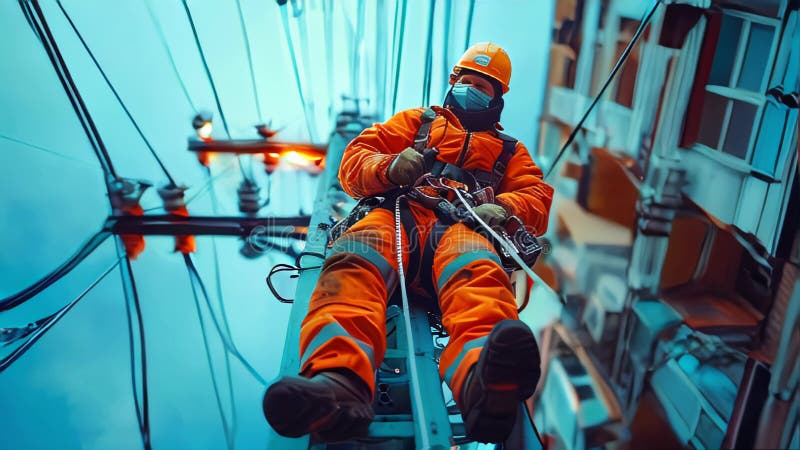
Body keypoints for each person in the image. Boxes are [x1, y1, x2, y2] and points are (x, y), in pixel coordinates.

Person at [263, 42, 554, 444]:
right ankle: (339, 380)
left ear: (497, 98)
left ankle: (482, 381)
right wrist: (389, 166)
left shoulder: (509, 151)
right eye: (467, 81)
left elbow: (535, 196)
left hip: (461, 228)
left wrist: (502, 208)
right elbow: (356, 160)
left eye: (483, 86)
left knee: (477, 271)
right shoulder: (419, 122)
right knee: (353, 260)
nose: (472, 89)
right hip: (399, 215)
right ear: (453, 83)